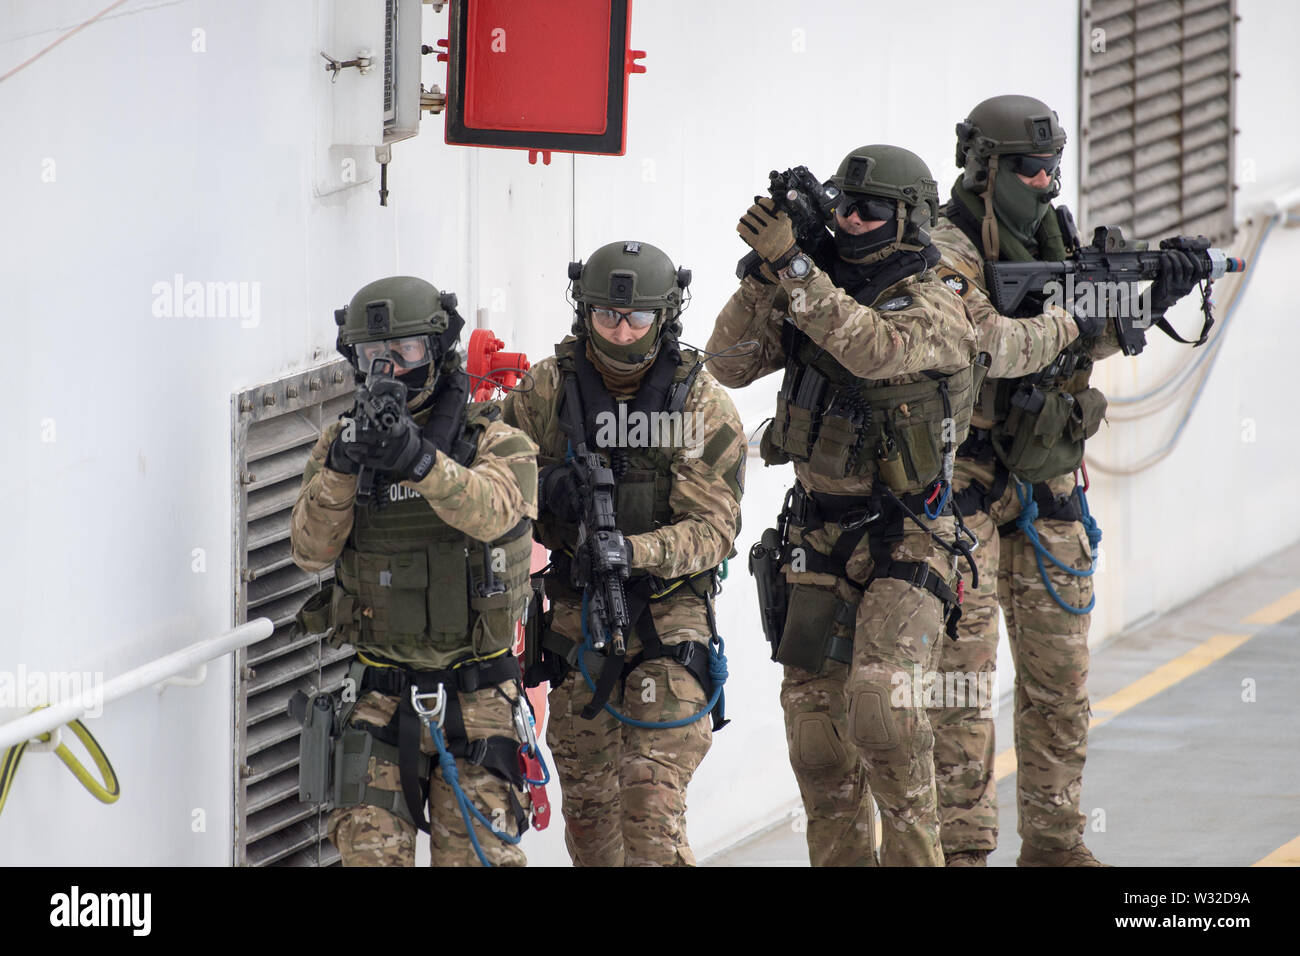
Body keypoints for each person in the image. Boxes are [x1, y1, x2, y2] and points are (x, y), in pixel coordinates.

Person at [929, 95, 1200, 867]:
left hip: (1048, 484)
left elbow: (1079, 349)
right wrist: (1078, 319)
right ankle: (964, 853)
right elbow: (988, 347)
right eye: (1028, 168)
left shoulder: (1058, 234)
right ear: (984, 168)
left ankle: (1054, 843)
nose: (1046, 182)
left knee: (1059, 687)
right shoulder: (943, 249)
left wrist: (1148, 297)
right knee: (960, 689)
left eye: (1053, 166)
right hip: (969, 486)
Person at [708, 145, 980, 866]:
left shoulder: (937, 298)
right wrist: (766, 276)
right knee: (817, 735)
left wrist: (798, 268)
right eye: (841, 207)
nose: (851, 220)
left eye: (869, 210)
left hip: (909, 533)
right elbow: (728, 363)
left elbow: (873, 350)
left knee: (884, 713)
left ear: (907, 218)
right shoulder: (809, 291)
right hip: (819, 533)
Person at [502, 240, 745, 866]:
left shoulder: (698, 401)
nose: (621, 330)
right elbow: (492, 484)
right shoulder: (547, 390)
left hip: (669, 616)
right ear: (583, 312)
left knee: (650, 802)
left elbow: (713, 530)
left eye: (637, 317)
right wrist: (545, 486)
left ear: (665, 316)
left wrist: (631, 551)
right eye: (607, 316)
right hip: (577, 619)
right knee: (589, 820)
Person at [290, 275, 539, 866]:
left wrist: (420, 462)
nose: (388, 369)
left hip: (478, 700)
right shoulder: (337, 446)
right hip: (381, 698)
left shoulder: (494, 440)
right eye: (373, 356)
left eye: (403, 352)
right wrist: (342, 472)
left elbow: (493, 513)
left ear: (436, 350)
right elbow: (310, 553)